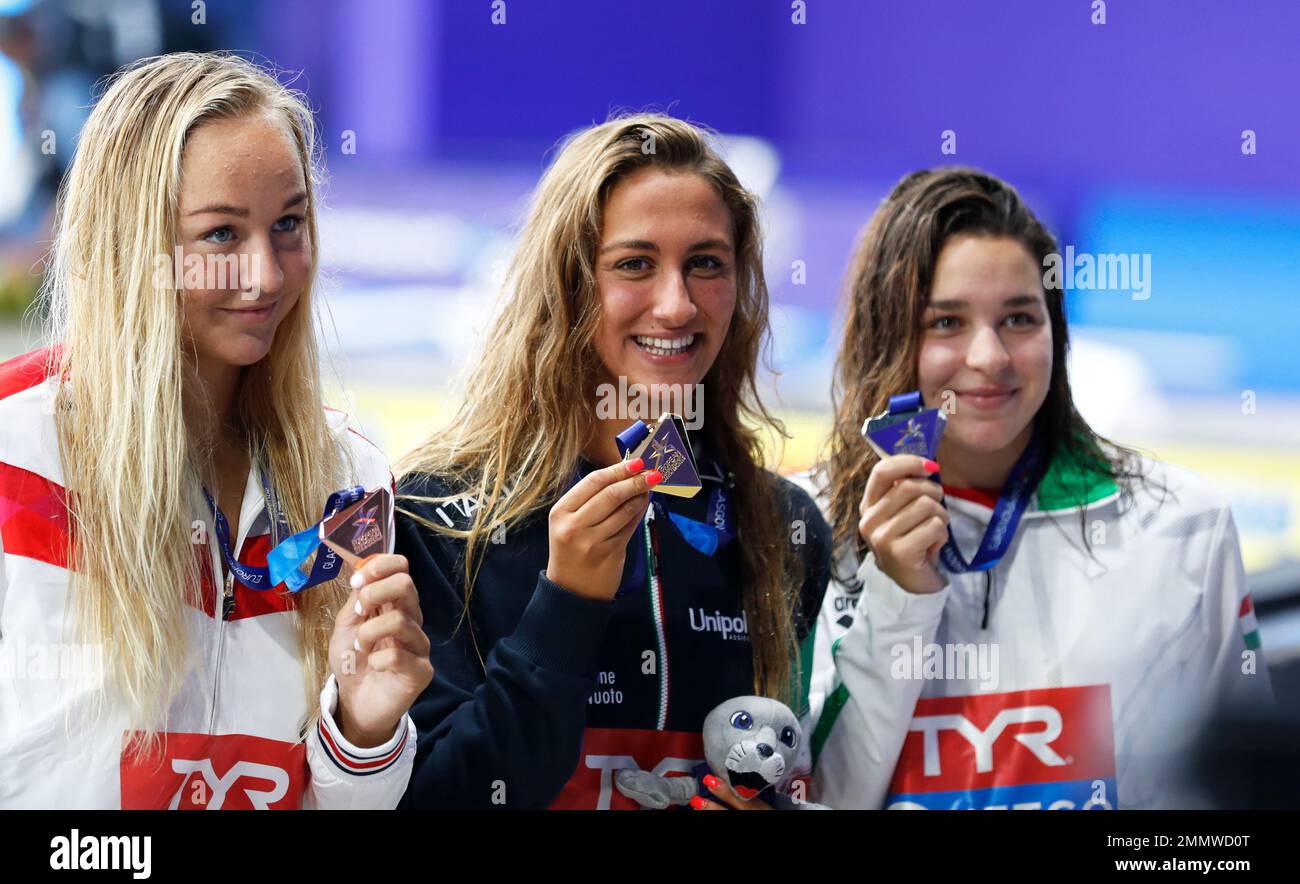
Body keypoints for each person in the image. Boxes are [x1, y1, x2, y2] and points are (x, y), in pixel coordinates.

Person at [0, 52, 431, 808]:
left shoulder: (351, 481)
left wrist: (365, 732)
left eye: (288, 224)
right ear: (133, 243)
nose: (266, 275)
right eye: (222, 235)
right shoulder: (15, 450)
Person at [395, 114, 831, 809]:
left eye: (706, 263)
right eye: (635, 264)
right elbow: (435, 798)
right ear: (567, 284)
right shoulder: (435, 516)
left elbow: (802, 774)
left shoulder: (783, 526)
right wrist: (565, 604)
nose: (677, 303)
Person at [805, 167, 1272, 809]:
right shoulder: (801, 528)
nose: (990, 357)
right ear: (886, 335)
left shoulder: (1181, 524)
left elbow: (1240, 803)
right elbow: (820, 797)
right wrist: (900, 598)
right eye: (946, 322)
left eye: (1019, 318)